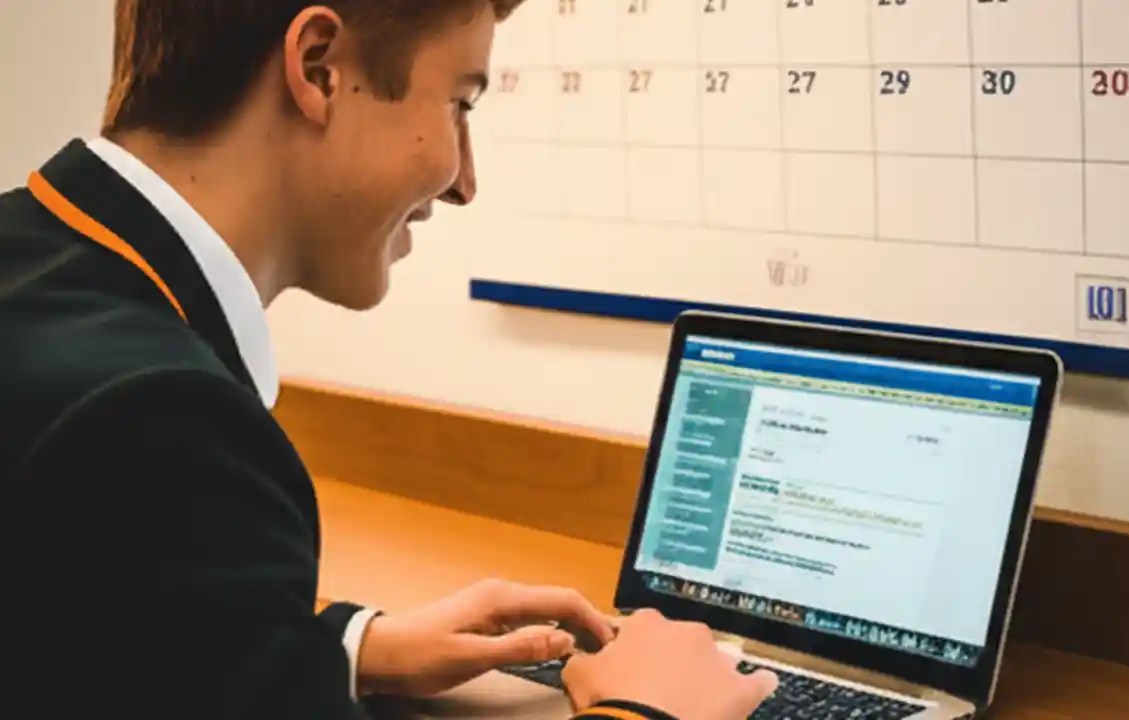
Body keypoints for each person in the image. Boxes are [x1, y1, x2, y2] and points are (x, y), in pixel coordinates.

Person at [0, 1, 778, 718]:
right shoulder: (160, 420)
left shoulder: (32, 269)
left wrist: (330, 650)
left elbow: (100, 646)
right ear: (318, 68)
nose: (464, 180)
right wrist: (644, 714)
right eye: (459, 104)